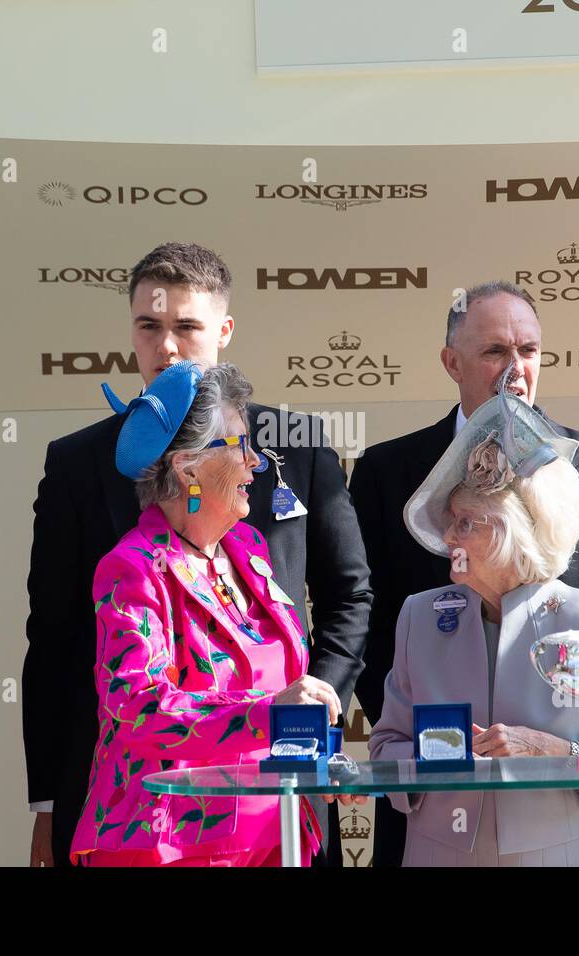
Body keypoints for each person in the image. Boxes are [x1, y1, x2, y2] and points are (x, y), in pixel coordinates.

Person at [23, 242, 371, 866]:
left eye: (186, 326)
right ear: (184, 467)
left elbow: (347, 598)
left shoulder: (254, 529)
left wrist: (312, 719)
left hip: (281, 817)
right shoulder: (84, 476)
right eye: (149, 327)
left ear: (224, 331)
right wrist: (48, 801)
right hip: (166, 829)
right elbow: (55, 642)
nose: (168, 348)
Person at [350, 281, 579, 867]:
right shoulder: (388, 469)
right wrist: (430, 736)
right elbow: (368, 615)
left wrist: (562, 745)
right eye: (494, 352)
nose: (515, 369)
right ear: (451, 362)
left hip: (563, 821)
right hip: (433, 816)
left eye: (528, 351)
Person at [69, 361, 335, 865]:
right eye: (238, 445)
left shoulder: (248, 546)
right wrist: (269, 712)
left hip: (276, 836)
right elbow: (140, 708)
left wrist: (322, 765)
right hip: (172, 845)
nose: (256, 461)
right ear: (187, 467)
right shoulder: (132, 570)